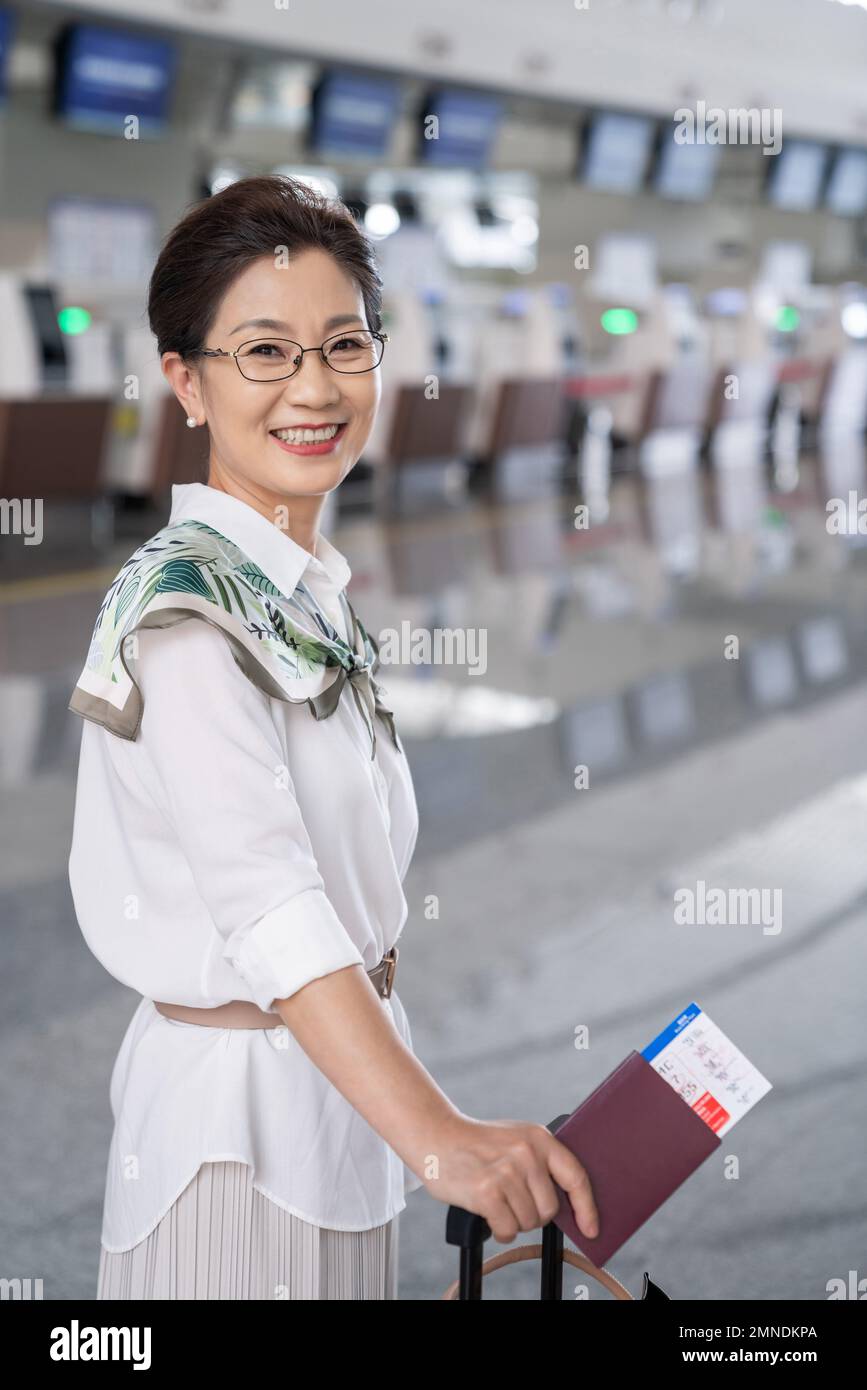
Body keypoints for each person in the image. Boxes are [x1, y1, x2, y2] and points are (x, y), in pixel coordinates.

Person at [67, 174, 599, 1301]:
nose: (314, 386)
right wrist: (441, 1133)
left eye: (343, 344)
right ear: (186, 382)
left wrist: (417, 1120)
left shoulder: (300, 589)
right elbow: (268, 900)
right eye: (264, 352)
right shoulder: (188, 610)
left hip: (327, 1102)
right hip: (235, 1129)